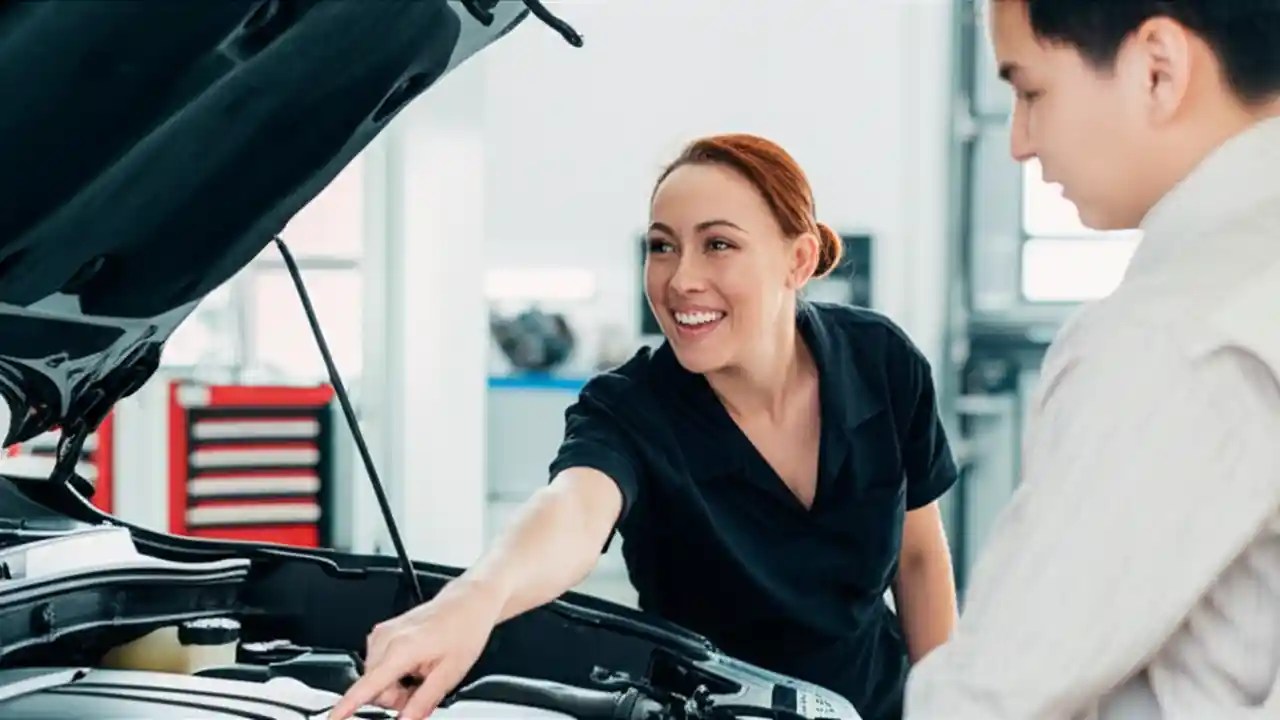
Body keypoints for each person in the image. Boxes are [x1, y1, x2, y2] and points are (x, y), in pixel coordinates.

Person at [328, 133, 961, 720]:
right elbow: (572, 509)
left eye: (718, 245)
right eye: (662, 246)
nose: (681, 279)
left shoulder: (881, 361)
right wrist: (476, 598)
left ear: (797, 260)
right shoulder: (630, 409)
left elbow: (919, 558)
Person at [905, 1, 1280, 719]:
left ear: (1157, 70)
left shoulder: (1172, 337)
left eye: (1031, 91)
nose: (1019, 142)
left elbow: (989, 700)